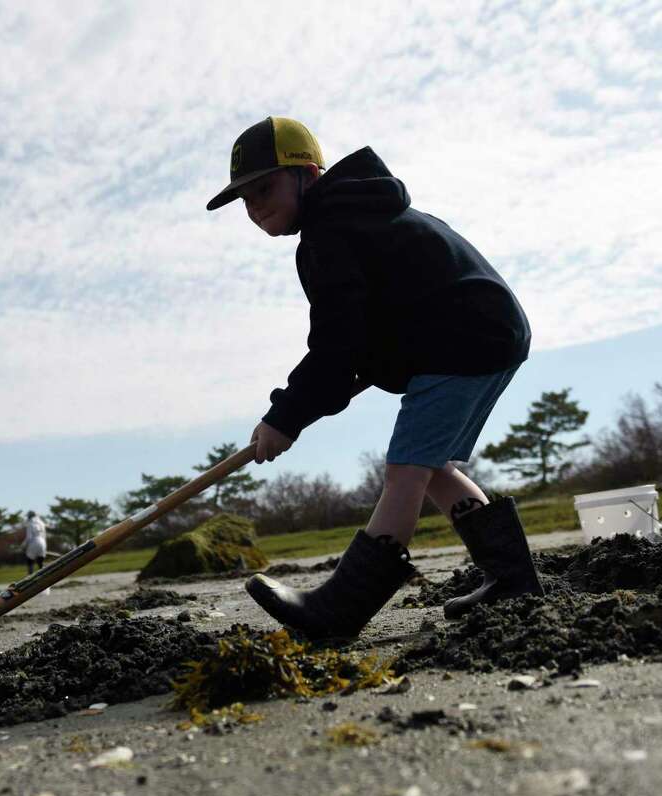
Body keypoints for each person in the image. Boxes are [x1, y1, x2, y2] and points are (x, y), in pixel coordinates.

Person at [205, 116, 542, 641]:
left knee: (405, 469)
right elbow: (363, 333)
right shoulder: (358, 215)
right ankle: (513, 578)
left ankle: (341, 608)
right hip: (490, 331)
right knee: (428, 467)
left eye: (264, 188)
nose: (255, 208)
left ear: (308, 174)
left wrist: (284, 417)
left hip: (465, 338)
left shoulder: (331, 233)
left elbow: (336, 350)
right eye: (244, 200)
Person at [20, 510, 48, 575]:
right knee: (40, 561)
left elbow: (29, 538)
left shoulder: (30, 524)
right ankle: (44, 576)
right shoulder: (42, 523)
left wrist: (23, 546)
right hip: (43, 543)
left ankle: (30, 578)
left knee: (30, 561)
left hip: (34, 542)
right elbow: (44, 536)